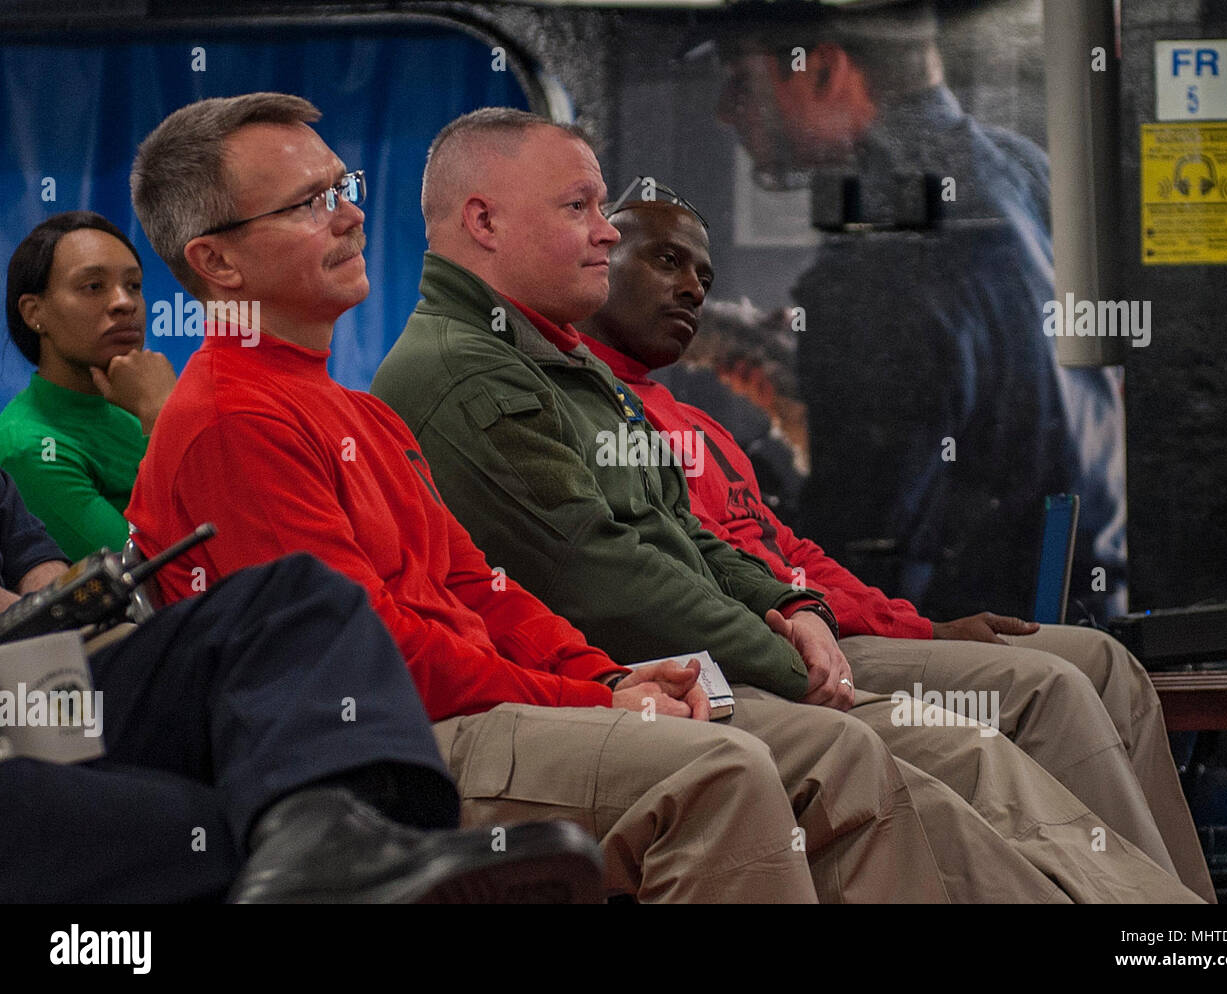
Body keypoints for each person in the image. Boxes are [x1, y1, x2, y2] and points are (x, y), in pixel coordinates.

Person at [122, 92, 943, 904]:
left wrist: (611, 676)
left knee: (831, 752)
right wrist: (594, 697)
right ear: (217, 263)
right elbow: (371, 664)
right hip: (394, 752)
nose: (347, 218)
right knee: (722, 772)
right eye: (309, 204)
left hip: (475, 707)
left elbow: (483, 589)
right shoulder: (233, 422)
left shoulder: (356, 411)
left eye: (344, 189)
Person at [370, 106, 1200, 903]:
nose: (606, 228)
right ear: (483, 221)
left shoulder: (561, 370)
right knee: (899, 754)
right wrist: (782, 661)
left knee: (974, 747)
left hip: (689, 661)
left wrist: (793, 605)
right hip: (635, 673)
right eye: (580, 207)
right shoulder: (469, 373)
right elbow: (599, 580)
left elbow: (690, 540)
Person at [576, 194, 1217, 903]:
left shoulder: (696, 424)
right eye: (667, 261)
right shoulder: (601, 417)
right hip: (755, 655)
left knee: (1103, 662)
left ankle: (1182, 917)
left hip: (810, 633)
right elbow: (708, 580)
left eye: (704, 274)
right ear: (599, 258)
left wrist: (922, 623)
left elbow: (791, 558)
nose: (693, 287)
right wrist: (867, 629)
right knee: (1047, 689)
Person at [0, 468, 602, 903]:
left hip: (30, 694)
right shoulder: (222, 412)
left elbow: (44, 576)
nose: (125, 302)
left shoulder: (367, 414)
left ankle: (329, 844)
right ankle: (327, 862)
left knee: (296, 599)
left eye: (135, 282)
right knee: (219, 830)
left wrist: (601, 680)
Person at [711, 0, 1127, 623]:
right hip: (1085, 620)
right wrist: (810, 404)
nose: (726, 110)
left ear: (824, 69)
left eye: (742, 79)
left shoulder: (880, 249)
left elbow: (864, 544)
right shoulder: (1024, 168)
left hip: (975, 651)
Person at [1, 211, 177, 560]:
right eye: (93, 286)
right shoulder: (30, 447)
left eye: (134, 286)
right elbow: (147, 577)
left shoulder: (129, 403)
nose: (124, 303)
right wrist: (164, 417)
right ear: (34, 312)